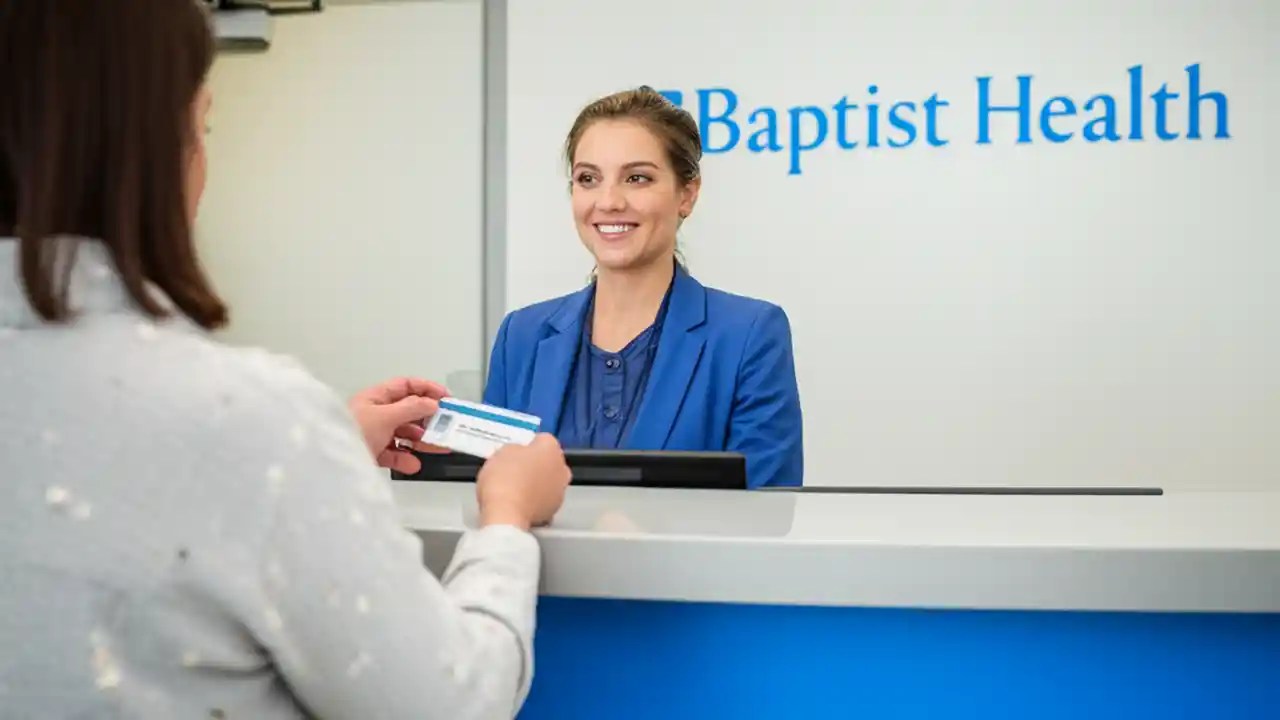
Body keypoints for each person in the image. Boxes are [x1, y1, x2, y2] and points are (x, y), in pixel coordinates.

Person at [0, 1, 570, 718]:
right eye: (201, 128)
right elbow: (448, 702)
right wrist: (509, 519)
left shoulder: (263, 428)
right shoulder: (251, 422)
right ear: (156, 145)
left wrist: (316, 445)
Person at [484, 87, 804, 488]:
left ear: (686, 194)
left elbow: (767, 515)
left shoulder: (749, 335)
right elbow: (490, 492)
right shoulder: (521, 337)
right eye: (588, 179)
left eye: (636, 178)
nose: (609, 201)